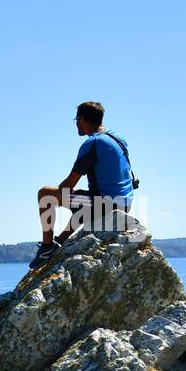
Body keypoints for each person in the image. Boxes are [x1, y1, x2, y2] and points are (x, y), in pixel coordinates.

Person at [31, 101, 135, 269]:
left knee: (45, 194)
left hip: (105, 205)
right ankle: (60, 241)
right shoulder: (117, 138)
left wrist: (59, 195)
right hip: (124, 203)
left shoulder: (92, 143)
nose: (76, 124)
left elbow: (69, 183)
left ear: (84, 120)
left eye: (77, 120)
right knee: (83, 201)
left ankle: (47, 247)